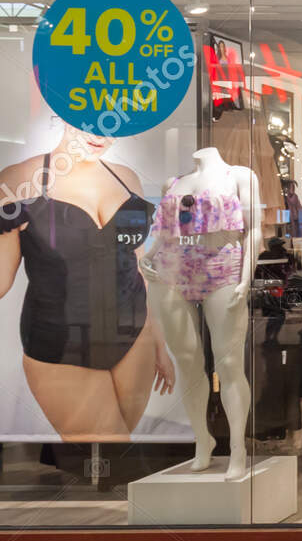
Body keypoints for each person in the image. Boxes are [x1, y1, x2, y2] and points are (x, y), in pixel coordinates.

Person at [0, 123, 175, 439]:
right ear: (64, 116)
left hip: (135, 338)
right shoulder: (19, 181)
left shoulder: (127, 178)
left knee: (114, 458)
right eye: (88, 122)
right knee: (114, 456)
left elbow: (137, 268)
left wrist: (159, 341)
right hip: (60, 344)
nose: (101, 135)